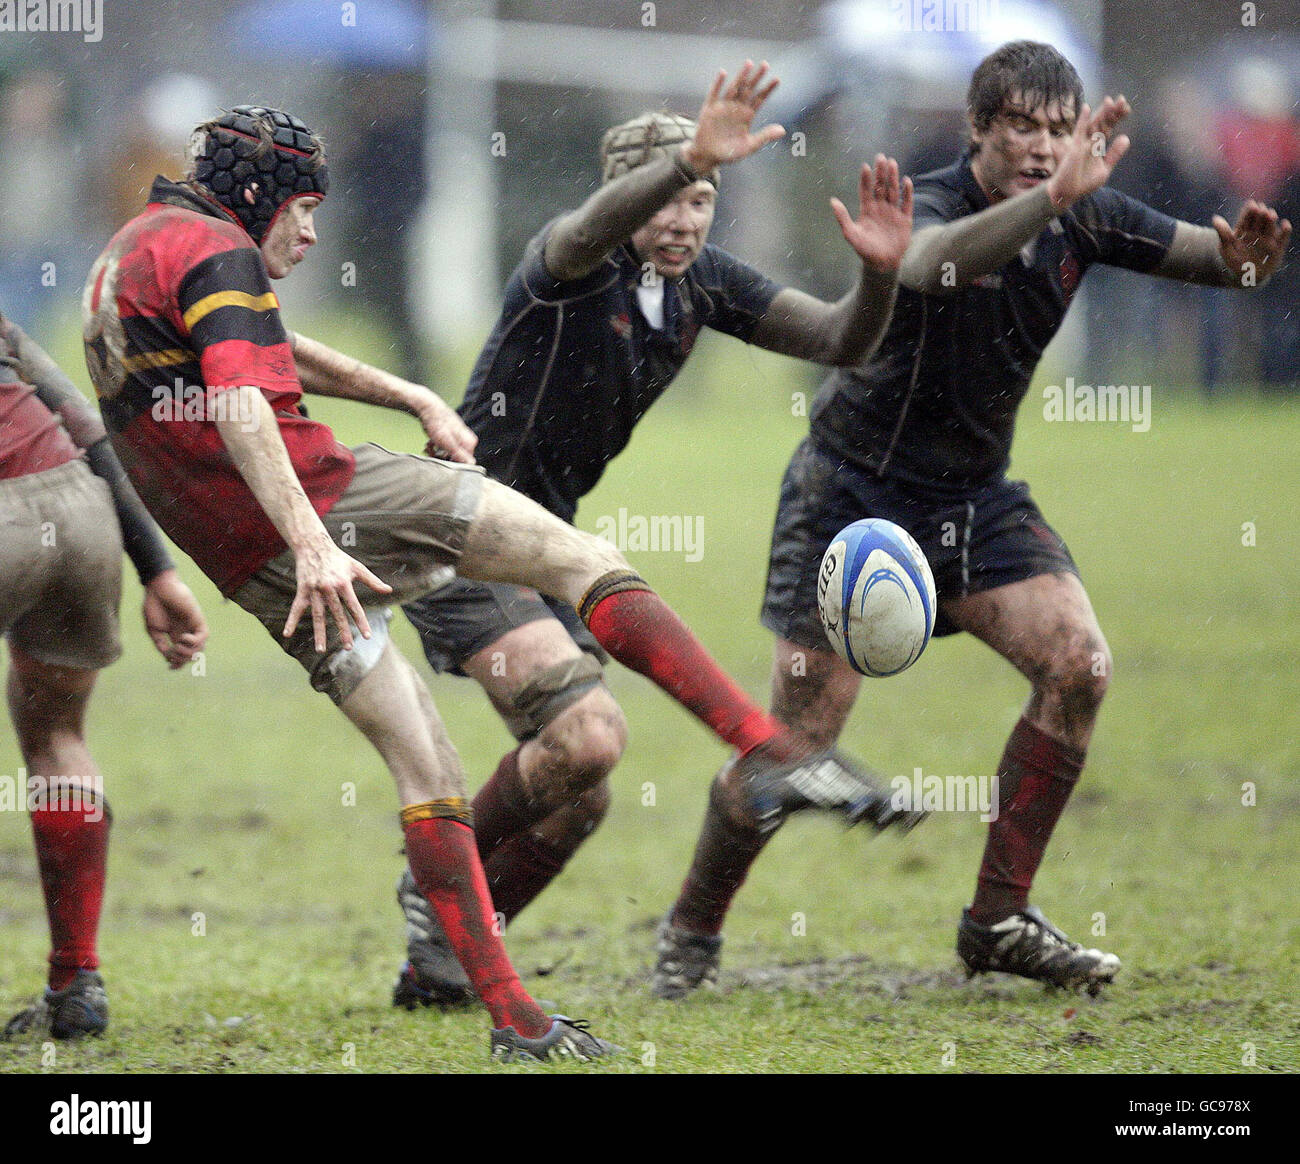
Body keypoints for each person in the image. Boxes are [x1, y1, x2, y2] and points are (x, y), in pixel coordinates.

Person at [80, 102, 912, 1061]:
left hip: (248, 555)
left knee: (452, 775)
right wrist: (314, 537)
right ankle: (764, 747)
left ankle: (513, 1019)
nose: (311, 233)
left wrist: (408, 392)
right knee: (584, 567)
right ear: (259, 196)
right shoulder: (230, 250)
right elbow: (237, 395)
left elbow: (249, 352)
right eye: (303, 210)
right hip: (327, 507)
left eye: (703, 196)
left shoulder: (145, 245)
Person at [654, 41, 1292, 999]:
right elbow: (930, 268)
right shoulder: (933, 201)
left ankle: (997, 919)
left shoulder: (1086, 209)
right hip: (852, 497)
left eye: (1057, 129)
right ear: (979, 131)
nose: (1042, 148)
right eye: (1021, 129)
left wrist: (1246, 266)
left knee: (1079, 667)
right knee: (796, 748)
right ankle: (691, 931)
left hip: (975, 503)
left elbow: (1215, 261)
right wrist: (1051, 201)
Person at [390, 61, 917, 1009]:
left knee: (579, 795)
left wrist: (879, 275)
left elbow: (845, 339)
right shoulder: (566, 267)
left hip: (547, 549)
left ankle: (446, 966)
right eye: (671, 196)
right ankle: (439, 867)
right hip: (456, 529)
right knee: (589, 736)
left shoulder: (700, 284)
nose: (683, 220)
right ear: (627, 195)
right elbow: (590, 226)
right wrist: (681, 164)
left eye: (704, 197)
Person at [0, 310, 207, 1040]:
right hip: (76, 509)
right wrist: (158, 569)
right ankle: (74, 982)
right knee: (56, 733)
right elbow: (86, 425)